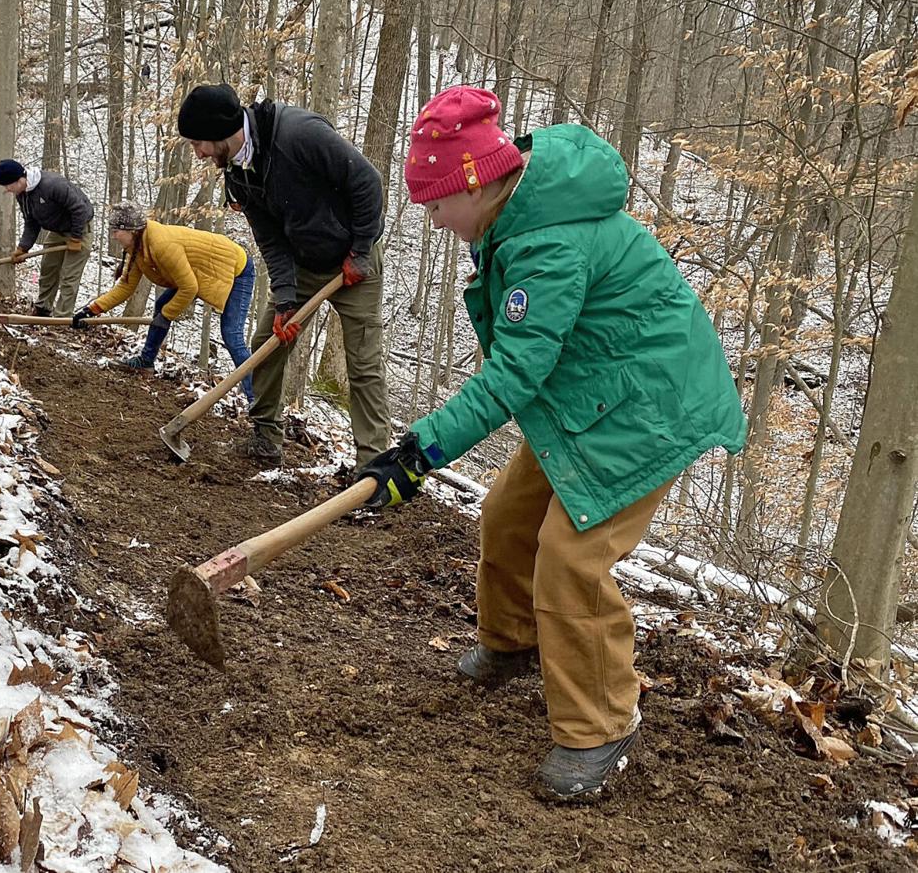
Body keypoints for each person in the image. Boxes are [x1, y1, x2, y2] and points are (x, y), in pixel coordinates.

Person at [356, 86, 746, 800]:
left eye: (436, 206)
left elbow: (515, 370)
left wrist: (420, 450)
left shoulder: (548, 243)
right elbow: (527, 364)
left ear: (473, 185)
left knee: (571, 557)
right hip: (594, 396)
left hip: (651, 404)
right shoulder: (518, 217)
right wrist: (421, 451)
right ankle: (511, 641)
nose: (434, 222)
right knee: (507, 510)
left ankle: (601, 725)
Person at [177, 83, 388, 471]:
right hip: (303, 264)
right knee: (267, 343)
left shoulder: (299, 135)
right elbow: (271, 240)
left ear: (221, 130)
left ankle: (372, 465)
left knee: (363, 361)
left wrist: (359, 251)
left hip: (354, 259)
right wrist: (286, 297)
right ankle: (266, 438)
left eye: (199, 143)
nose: (199, 153)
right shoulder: (238, 176)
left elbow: (367, 183)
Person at [72, 201, 257, 400]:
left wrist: (167, 315)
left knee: (232, 335)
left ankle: (256, 399)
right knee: (162, 306)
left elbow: (189, 287)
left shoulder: (161, 245)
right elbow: (126, 287)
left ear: (131, 230)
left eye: (116, 230)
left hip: (236, 269)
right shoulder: (138, 248)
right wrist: (92, 309)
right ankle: (146, 362)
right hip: (200, 271)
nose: (113, 236)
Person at [0, 159, 94, 317]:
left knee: (69, 277)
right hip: (57, 231)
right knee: (48, 268)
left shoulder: (53, 185)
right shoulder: (22, 195)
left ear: (20, 179)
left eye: (9, 185)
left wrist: (76, 238)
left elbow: (79, 210)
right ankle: (43, 308)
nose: (8, 189)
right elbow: (31, 222)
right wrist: (23, 248)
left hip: (80, 228)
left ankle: (62, 317)